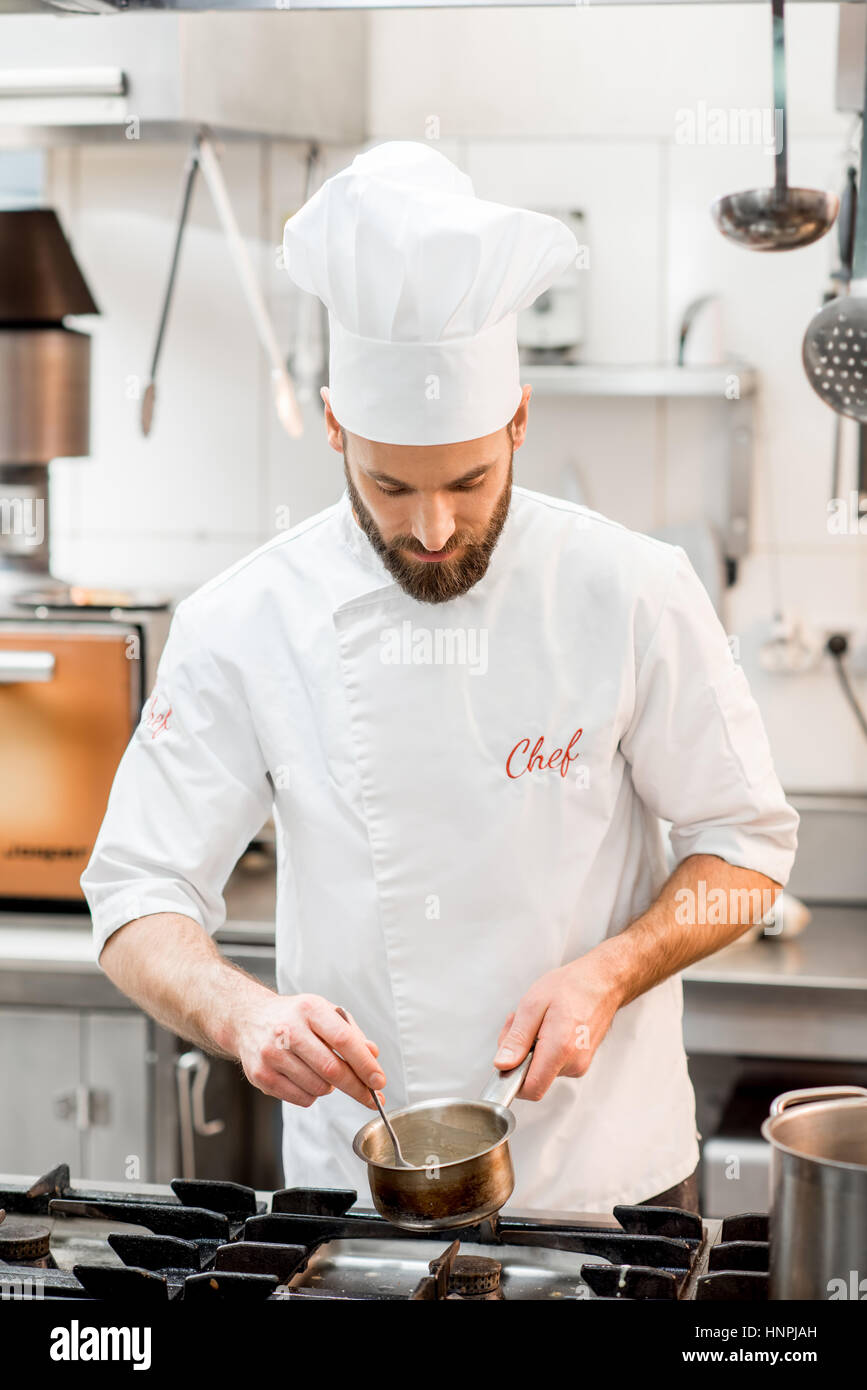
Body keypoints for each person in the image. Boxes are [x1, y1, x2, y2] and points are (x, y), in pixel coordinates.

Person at [82, 142, 798, 1214]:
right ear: (333, 426)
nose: (430, 527)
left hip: (612, 1194)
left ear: (517, 421)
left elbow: (749, 857)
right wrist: (244, 1017)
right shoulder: (243, 619)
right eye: (388, 482)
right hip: (357, 1204)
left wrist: (610, 972)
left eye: (469, 479)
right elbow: (134, 896)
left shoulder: (633, 589)